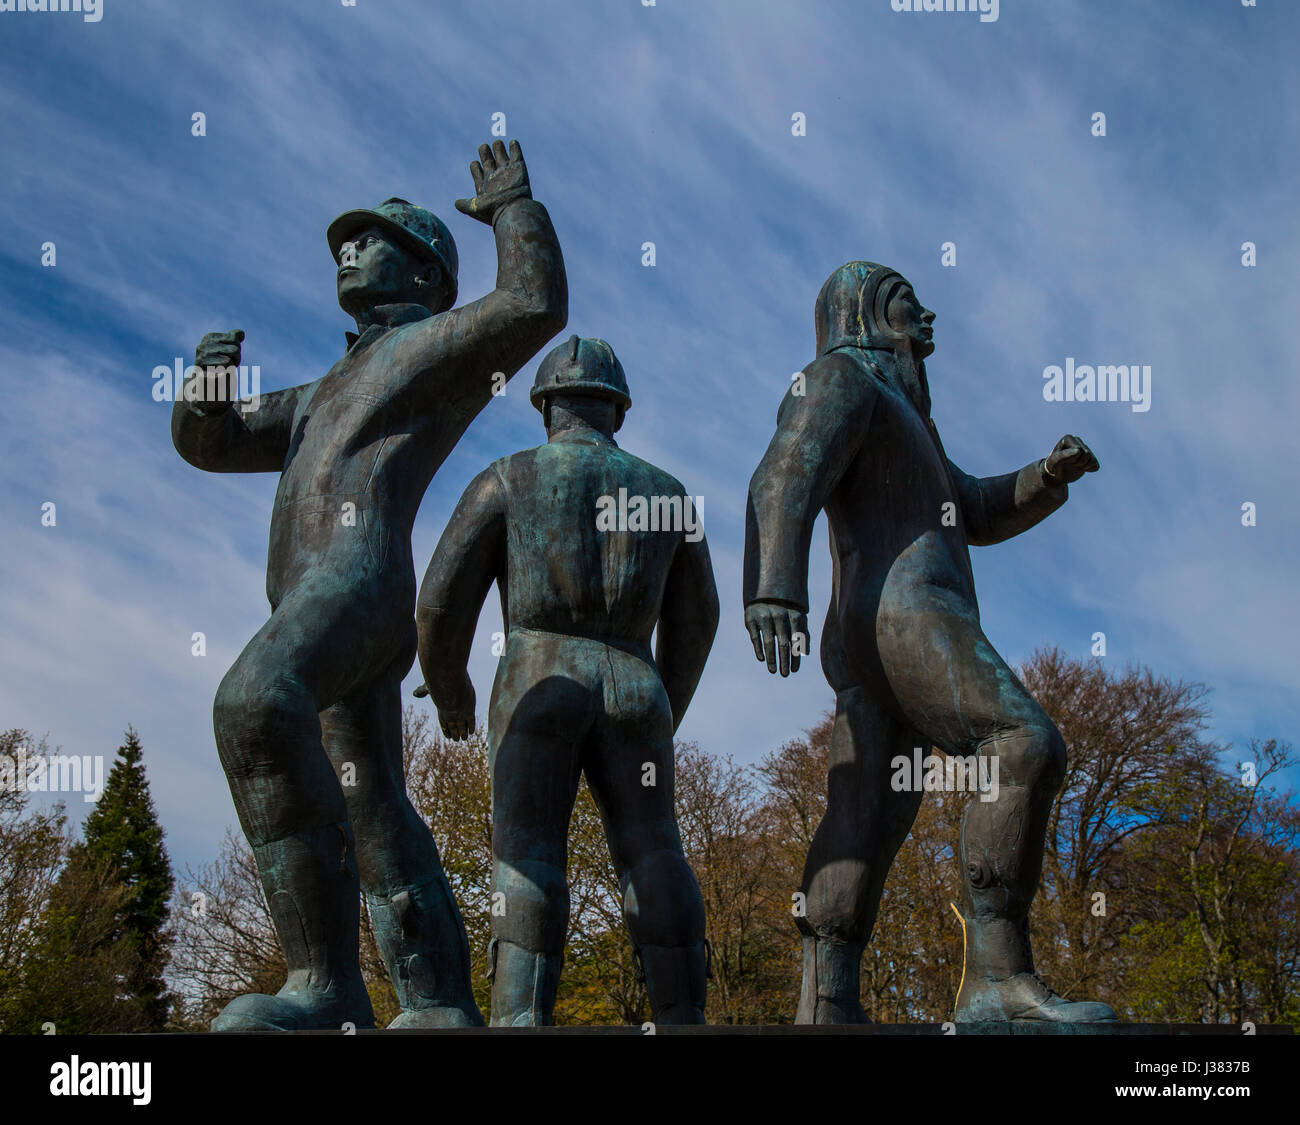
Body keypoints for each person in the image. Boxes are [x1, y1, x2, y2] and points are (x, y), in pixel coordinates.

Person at [172, 140, 567, 1030]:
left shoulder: (433, 349)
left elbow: (534, 303)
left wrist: (513, 209)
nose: (346, 252)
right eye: (342, 244)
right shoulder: (324, 390)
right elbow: (217, 443)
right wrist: (202, 393)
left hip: (358, 583)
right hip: (319, 599)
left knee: (253, 703)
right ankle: (436, 1002)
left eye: (370, 240)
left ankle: (323, 983)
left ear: (426, 271)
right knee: (373, 799)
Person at [743, 261, 1114, 1024]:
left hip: (881, 629)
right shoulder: (842, 376)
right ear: (867, 315)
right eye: (908, 306)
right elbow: (783, 471)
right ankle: (997, 980)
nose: (927, 319)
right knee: (1021, 740)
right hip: (904, 616)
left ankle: (828, 1002)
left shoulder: (906, 415)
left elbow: (972, 505)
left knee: (868, 809)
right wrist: (775, 586)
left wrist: (1046, 475)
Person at [416, 336, 718, 1025]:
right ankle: (681, 1015)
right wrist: (662, 701)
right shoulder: (668, 494)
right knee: (654, 847)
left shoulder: (507, 476)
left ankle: (520, 1016)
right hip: (635, 681)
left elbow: (436, 602)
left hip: (538, 676)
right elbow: (701, 619)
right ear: (618, 409)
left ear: (545, 404)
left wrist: (449, 684)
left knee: (528, 851)